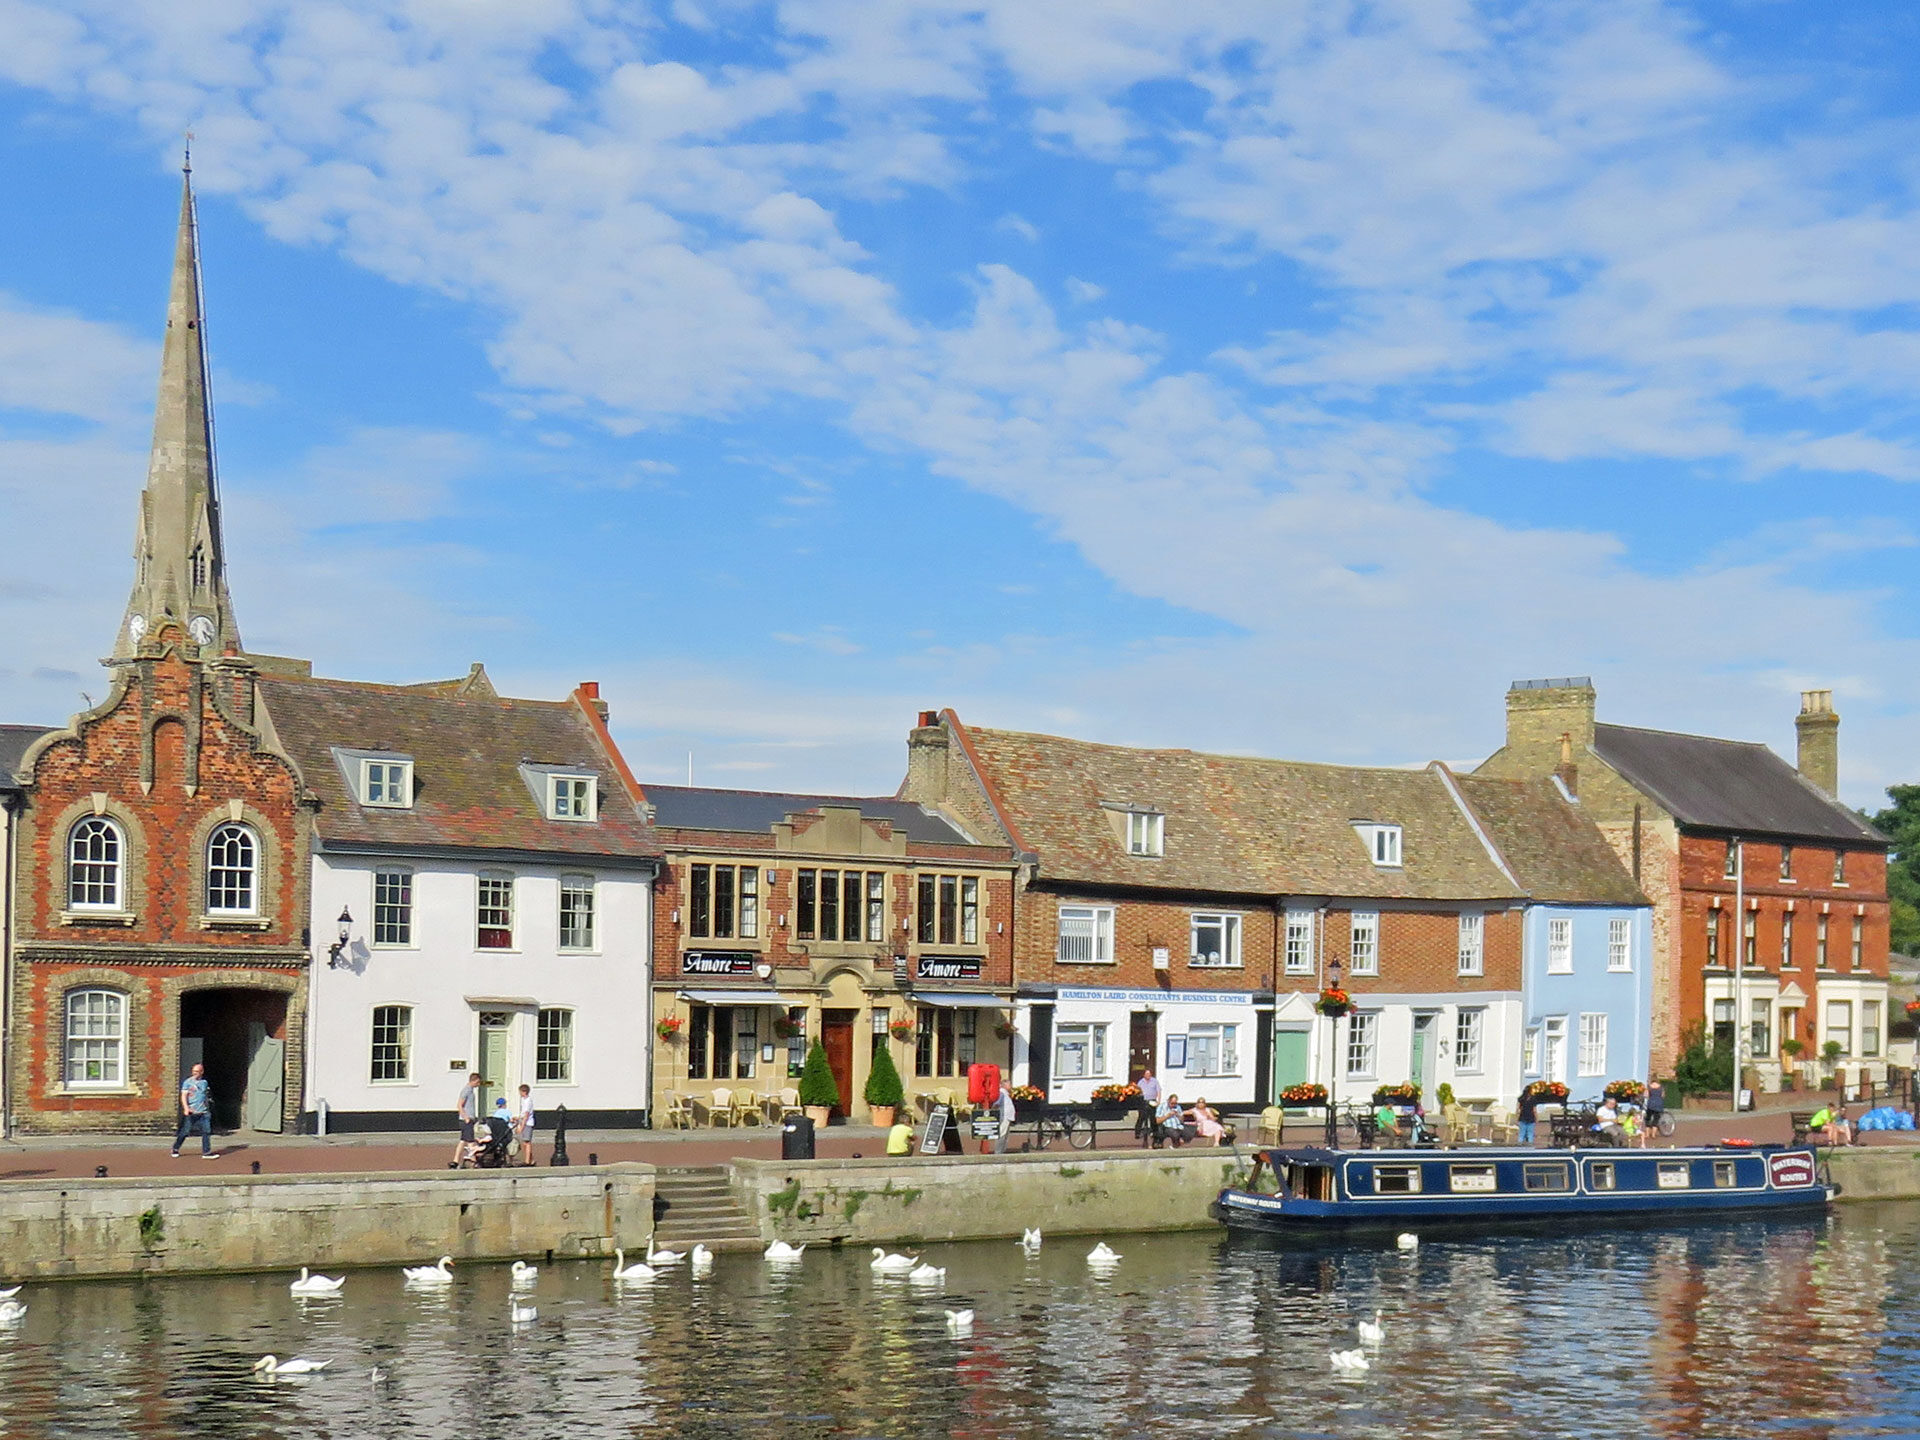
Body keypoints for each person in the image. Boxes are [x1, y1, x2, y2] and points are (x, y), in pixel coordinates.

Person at [171, 1062, 215, 1159]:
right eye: (194, 1071)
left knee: (206, 1132)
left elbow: (205, 1095)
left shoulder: (204, 1083)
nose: (195, 1073)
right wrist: (186, 1108)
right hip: (192, 1111)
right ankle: (175, 1148)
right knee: (185, 1131)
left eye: (197, 1071)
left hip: (204, 1112)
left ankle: (206, 1152)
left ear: (201, 1072)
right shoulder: (187, 1082)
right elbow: (183, 1096)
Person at [454, 1071, 481, 1164]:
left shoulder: (470, 1090)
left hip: (469, 1119)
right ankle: (473, 1161)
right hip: (466, 1120)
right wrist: (466, 1117)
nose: (479, 1084)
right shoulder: (467, 1090)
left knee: (462, 1141)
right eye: (478, 1082)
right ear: (475, 1080)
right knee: (470, 1141)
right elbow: (459, 1105)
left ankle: (456, 1160)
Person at [1136, 1070, 1162, 1147]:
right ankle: (1138, 1132)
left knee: (1152, 1118)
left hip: (1152, 1101)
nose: (1148, 1075)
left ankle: (1154, 1132)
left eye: (1149, 1074)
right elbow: (1137, 1091)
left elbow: (1159, 1091)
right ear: (1144, 1075)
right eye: (1147, 1074)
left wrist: (1158, 1101)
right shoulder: (1141, 1082)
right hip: (1143, 1101)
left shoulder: (1155, 1081)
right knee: (1141, 1117)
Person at [514, 1084, 537, 1166]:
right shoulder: (524, 1100)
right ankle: (531, 1160)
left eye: (520, 1092)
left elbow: (526, 1115)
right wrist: (518, 1118)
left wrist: (522, 1127)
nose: (519, 1093)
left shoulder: (528, 1101)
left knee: (527, 1142)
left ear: (524, 1092)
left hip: (527, 1123)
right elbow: (523, 1113)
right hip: (523, 1121)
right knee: (524, 1143)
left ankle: (527, 1161)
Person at [993, 1084, 1018, 1154]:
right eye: (1009, 1084)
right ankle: (998, 1152)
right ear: (1004, 1085)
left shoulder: (1006, 1094)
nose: (1011, 1086)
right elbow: (996, 1104)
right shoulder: (1002, 1093)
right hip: (1004, 1117)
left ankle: (1002, 1151)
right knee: (1002, 1135)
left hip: (1008, 1117)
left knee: (1005, 1136)